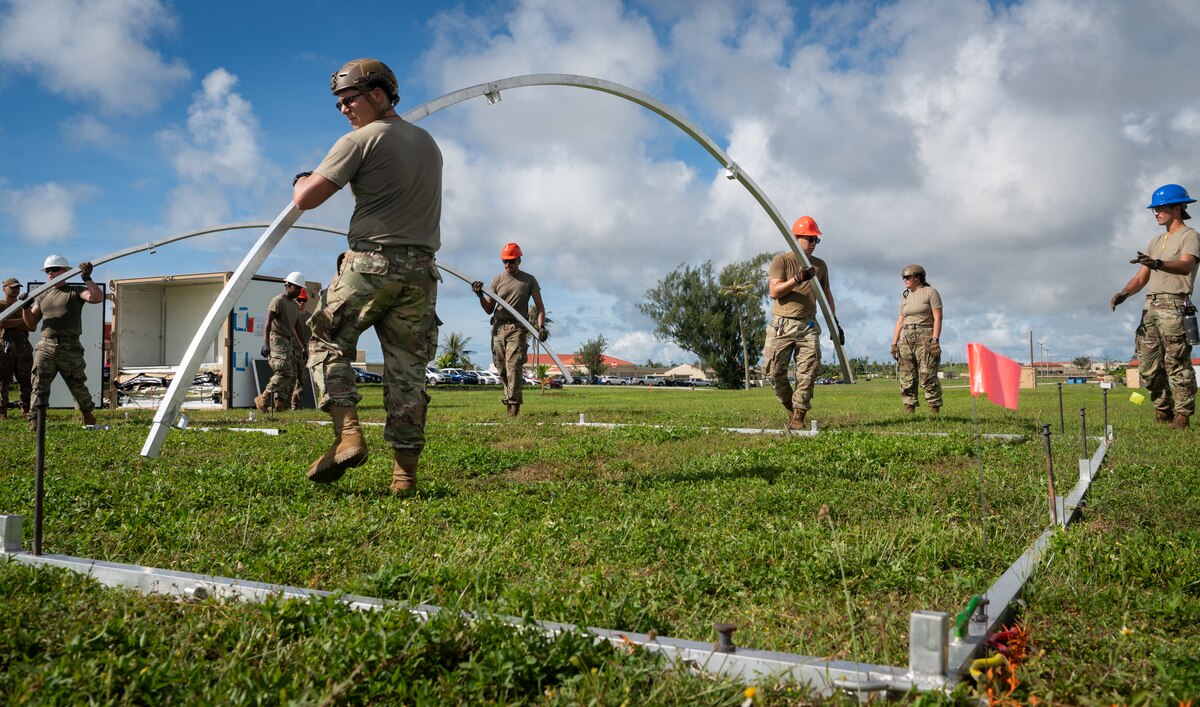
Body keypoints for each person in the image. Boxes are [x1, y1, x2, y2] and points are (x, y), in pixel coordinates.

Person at [292, 58, 442, 494]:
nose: (344, 109)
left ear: (378, 95)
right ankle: (404, 476)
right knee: (408, 371)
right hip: (421, 272)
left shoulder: (359, 140)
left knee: (324, 339)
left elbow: (306, 199)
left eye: (350, 99)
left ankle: (348, 435)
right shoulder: (428, 142)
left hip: (371, 263)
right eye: (338, 103)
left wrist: (302, 179)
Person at [1110, 183, 1200, 429]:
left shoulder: (1189, 236)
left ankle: (1182, 416)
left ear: (1178, 207)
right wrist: (1124, 293)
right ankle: (1163, 410)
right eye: (1154, 209)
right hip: (1150, 307)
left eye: (1160, 208)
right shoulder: (1155, 241)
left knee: (1176, 363)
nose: (1156, 213)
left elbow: (1186, 266)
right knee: (1148, 366)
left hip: (1175, 304)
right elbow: (1141, 278)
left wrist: (1159, 264)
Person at [764, 216, 843, 430]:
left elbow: (826, 293)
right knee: (774, 373)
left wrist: (834, 322)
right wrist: (797, 279)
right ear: (796, 238)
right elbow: (774, 292)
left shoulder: (820, 266)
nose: (814, 243)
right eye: (810, 238)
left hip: (808, 325)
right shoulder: (781, 261)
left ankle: (799, 416)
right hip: (782, 325)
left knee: (808, 372)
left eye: (816, 239)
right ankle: (790, 407)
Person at [21, 256, 104, 428]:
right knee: (39, 383)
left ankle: (87, 414)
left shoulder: (75, 290)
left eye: (55, 269)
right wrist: (25, 307)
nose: (50, 273)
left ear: (65, 271)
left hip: (70, 346)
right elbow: (30, 324)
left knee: (77, 383)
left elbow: (97, 298)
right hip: (46, 346)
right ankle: (35, 420)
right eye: (48, 271)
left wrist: (87, 278)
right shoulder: (42, 294)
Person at [471, 242, 548, 417]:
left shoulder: (529, 280)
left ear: (519, 260)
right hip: (498, 328)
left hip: (517, 329)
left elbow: (540, 307)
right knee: (502, 368)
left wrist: (541, 327)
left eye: (511, 261)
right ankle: (508, 399)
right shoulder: (497, 280)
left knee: (513, 366)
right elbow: (489, 309)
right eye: (505, 261)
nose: (508, 264)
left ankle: (514, 407)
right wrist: (479, 295)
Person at [890, 264, 943, 413]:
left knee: (927, 374)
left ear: (918, 278)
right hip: (906, 336)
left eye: (908, 277)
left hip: (925, 335)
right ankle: (909, 409)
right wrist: (894, 343)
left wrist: (935, 340)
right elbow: (900, 321)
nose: (904, 280)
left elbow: (938, 318)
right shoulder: (905, 296)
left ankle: (934, 409)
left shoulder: (930, 292)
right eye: (903, 277)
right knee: (906, 375)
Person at [255, 272, 306, 412]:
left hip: (288, 341)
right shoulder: (278, 301)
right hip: (277, 339)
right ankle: (263, 397)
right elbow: (268, 321)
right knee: (285, 372)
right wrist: (266, 343)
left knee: (290, 376)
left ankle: (280, 405)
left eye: (300, 288)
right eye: (297, 288)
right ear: (288, 285)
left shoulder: (295, 306)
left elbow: (297, 327)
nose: (299, 291)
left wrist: (303, 346)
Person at [1, 277, 34, 419]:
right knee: (2, 380)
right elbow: (2, 323)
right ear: (4, 289)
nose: (16, 290)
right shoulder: (1, 305)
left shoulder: (24, 306)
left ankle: (26, 409)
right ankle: (2, 411)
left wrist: (10, 322)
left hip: (23, 346)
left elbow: (31, 326)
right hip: (4, 346)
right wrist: (22, 321)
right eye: (12, 287)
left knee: (25, 379)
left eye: (18, 287)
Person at [290, 287, 313, 409]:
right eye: (299, 300)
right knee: (291, 378)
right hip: (291, 351)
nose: (302, 303)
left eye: (304, 300)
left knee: (303, 380)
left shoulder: (310, 318)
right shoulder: (290, 316)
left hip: (304, 353)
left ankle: (299, 404)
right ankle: (290, 404)